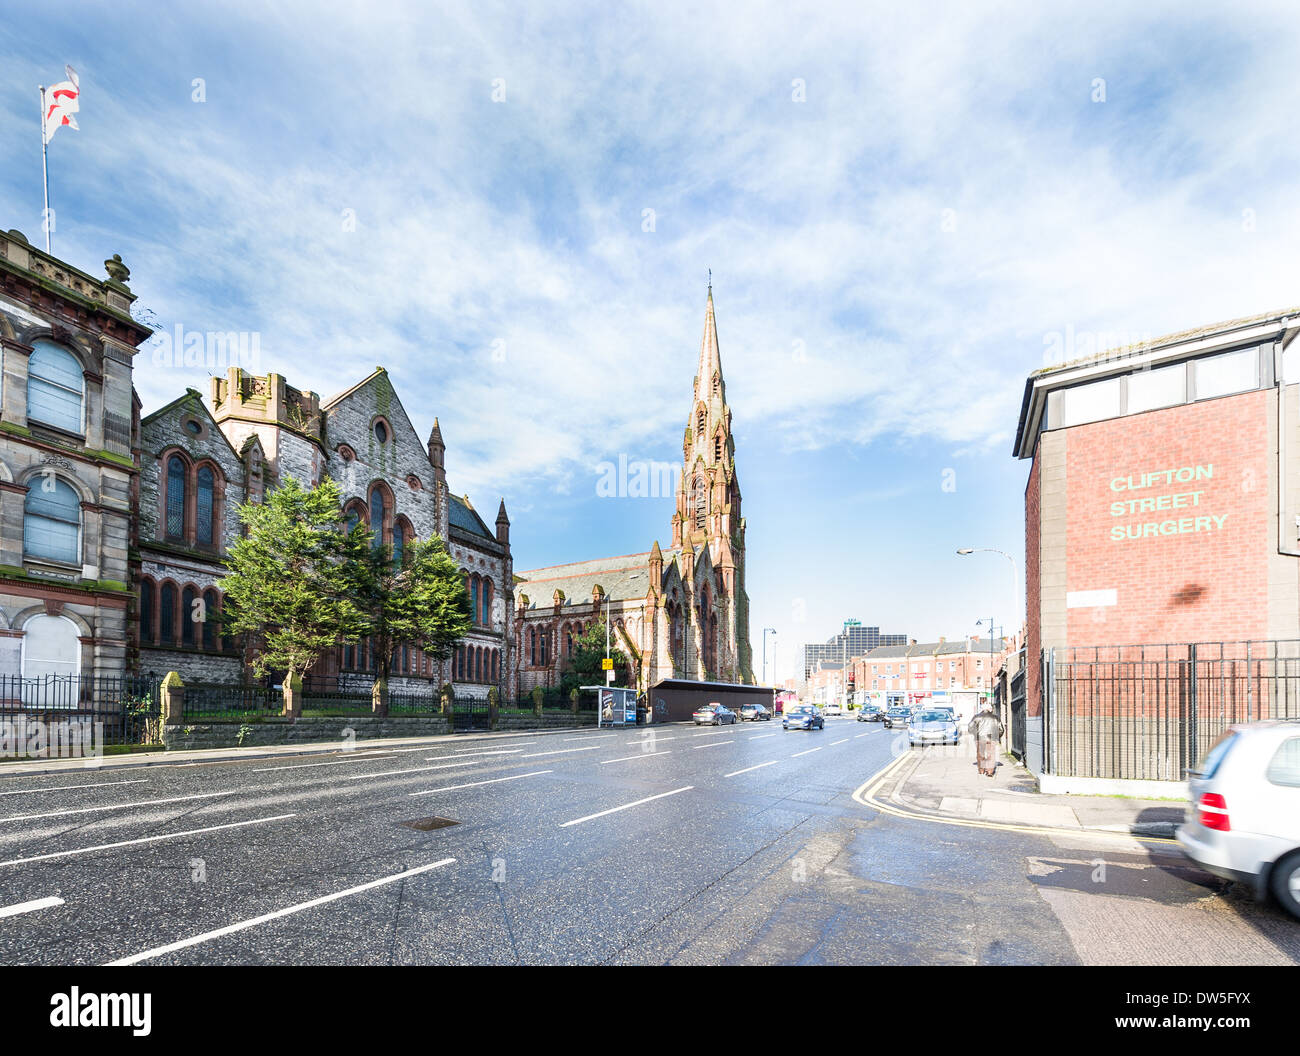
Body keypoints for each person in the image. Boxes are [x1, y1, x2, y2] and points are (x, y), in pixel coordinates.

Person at [968, 705, 1004, 777]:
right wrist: (996, 736)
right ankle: (990, 772)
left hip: (980, 738)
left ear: (982, 709)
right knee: (991, 755)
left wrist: (976, 735)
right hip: (992, 738)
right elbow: (1001, 729)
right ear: (990, 709)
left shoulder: (976, 717)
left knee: (980, 754)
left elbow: (970, 728)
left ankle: (981, 770)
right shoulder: (995, 717)